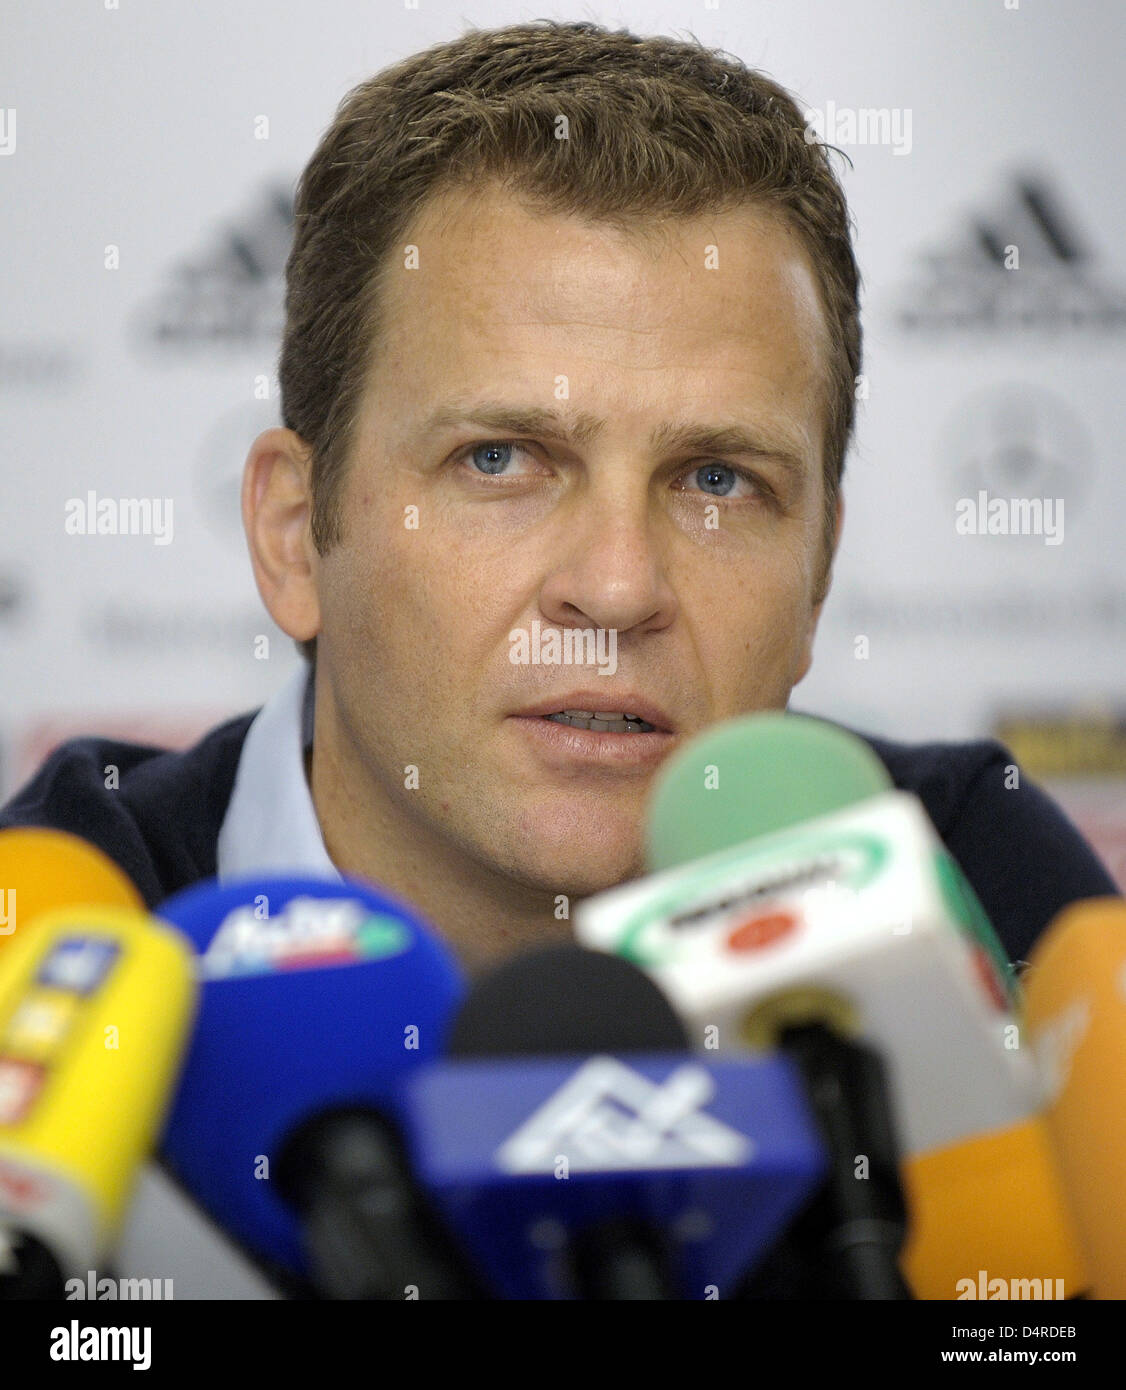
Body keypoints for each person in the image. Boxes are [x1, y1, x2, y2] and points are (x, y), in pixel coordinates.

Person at [2, 20, 1117, 971]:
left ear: (819, 571)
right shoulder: (54, 928)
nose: (619, 587)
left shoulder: (972, 889)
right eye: (501, 460)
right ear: (296, 535)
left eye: (717, 480)